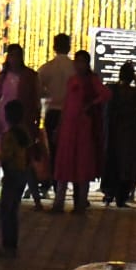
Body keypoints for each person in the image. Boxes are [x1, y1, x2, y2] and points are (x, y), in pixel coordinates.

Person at [52, 49, 107, 212]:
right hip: (69, 127)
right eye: (77, 62)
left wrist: (90, 104)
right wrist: (59, 126)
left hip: (83, 128)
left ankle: (80, 203)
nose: (79, 65)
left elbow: (105, 94)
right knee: (64, 165)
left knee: (82, 164)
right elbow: (67, 104)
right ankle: (59, 202)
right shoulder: (72, 80)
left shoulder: (92, 80)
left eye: (83, 62)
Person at [0, 99, 39, 258]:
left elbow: (8, 155)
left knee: (6, 211)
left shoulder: (9, 136)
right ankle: (12, 245)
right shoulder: (24, 133)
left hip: (12, 175)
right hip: (22, 174)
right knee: (13, 210)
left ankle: (6, 245)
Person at [101, 61, 136, 207]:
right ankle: (121, 197)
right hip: (130, 134)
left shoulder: (112, 89)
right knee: (127, 165)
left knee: (112, 163)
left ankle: (110, 193)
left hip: (114, 133)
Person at [0, 44, 41, 175]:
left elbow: (35, 97)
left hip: (24, 116)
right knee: (6, 146)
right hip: (6, 116)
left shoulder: (30, 75)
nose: (15, 59)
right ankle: (5, 173)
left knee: (22, 147)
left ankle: (22, 175)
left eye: (17, 55)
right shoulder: (2, 76)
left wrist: (36, 118)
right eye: (12, 55)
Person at [36, 33, 76, 198]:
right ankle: (68, 185)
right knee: (70, 150)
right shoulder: (74, 68)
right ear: (69, 47)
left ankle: (53, 183)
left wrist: (48, 94)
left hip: (53, 112)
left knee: (52, 150)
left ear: (54, 47)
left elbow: (37, 90)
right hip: (71, 113)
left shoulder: (47, 68)